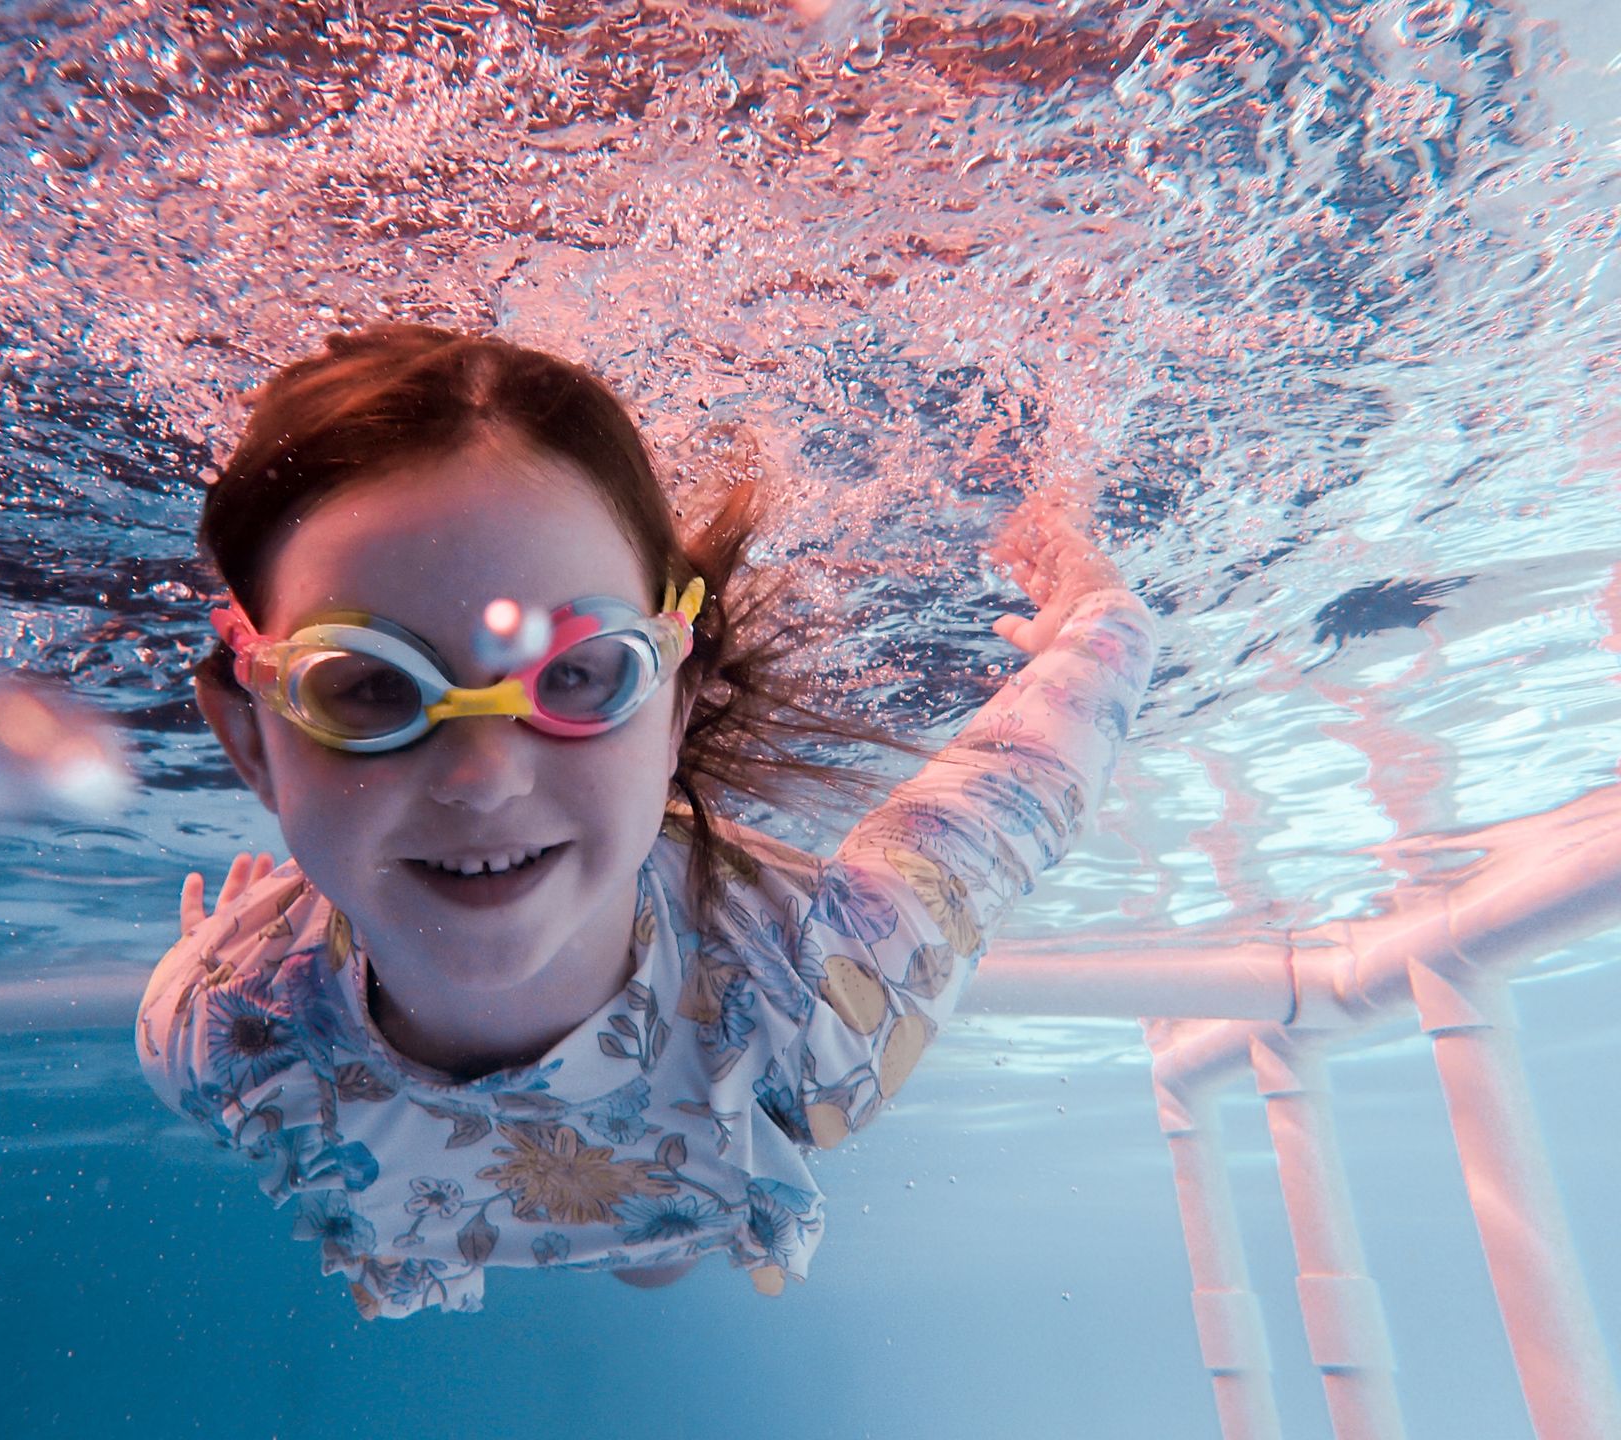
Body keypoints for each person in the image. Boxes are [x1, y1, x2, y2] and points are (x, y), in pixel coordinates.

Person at [135, 323, 1158, 1319]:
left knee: (663, 1253)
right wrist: (240, 963)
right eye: (364, 687)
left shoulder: (820, 992)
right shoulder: (224, 1030)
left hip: (689, 1171)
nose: (483, 781)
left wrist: (1101, 616)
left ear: (675, 703)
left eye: (580, 674)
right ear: (252, 740)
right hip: (532, 1169)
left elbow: (1024, 780)